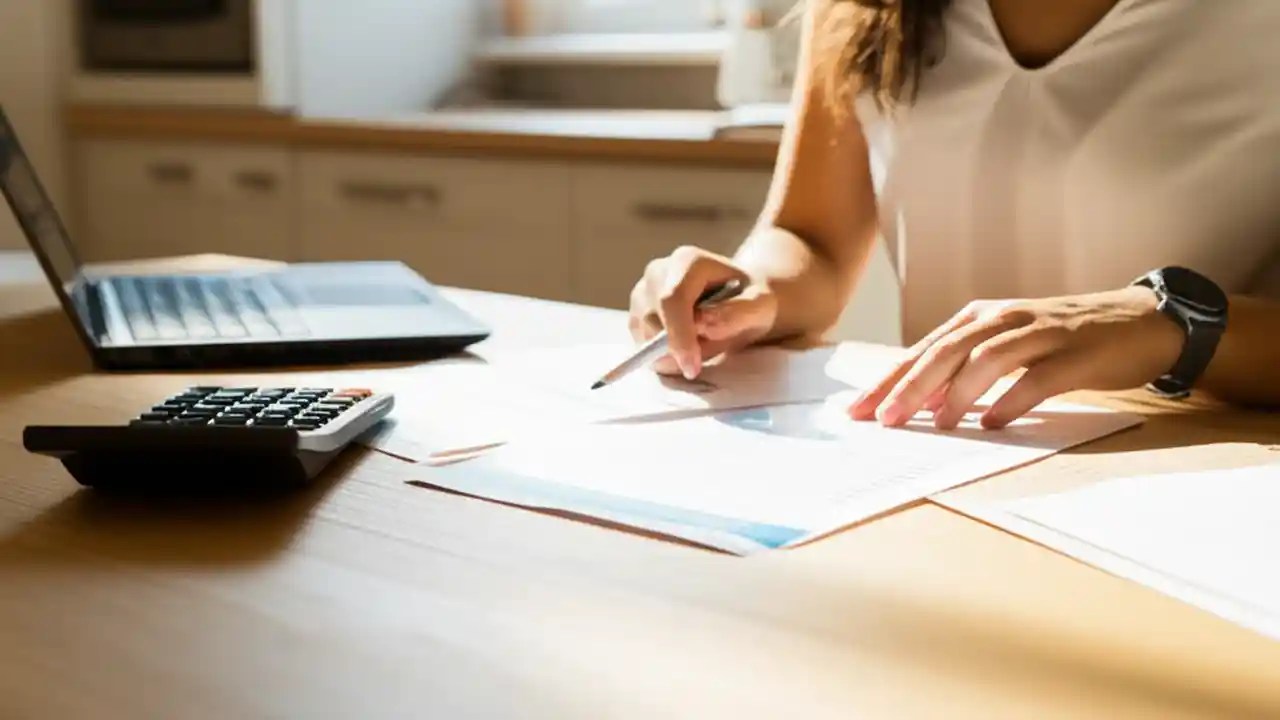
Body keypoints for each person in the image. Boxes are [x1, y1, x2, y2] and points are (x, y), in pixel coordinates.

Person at [628, 0, 1280, 427]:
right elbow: (809, 238)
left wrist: (1173, 322)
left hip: (1192, 483)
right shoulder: (858, 8)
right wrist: (746, 294)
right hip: (945, 465)